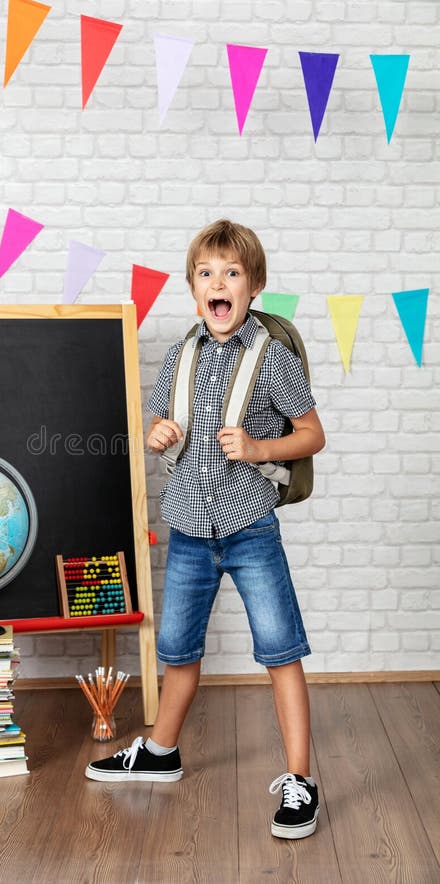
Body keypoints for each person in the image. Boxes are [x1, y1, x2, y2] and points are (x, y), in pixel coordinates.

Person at [86, 219, 326, 840]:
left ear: (254, 288)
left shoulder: (271, 359)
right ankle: (162, 750)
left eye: (232, 273)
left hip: (250, 529)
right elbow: (163, 421)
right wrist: (158, 432)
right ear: (194, 291)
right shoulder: (181, 353)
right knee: (177, 649)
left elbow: (312, 435)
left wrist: (257, 447)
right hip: (189, 530)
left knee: (280, 650)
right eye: (206, 274)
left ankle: (300, 779)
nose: (218, 283)